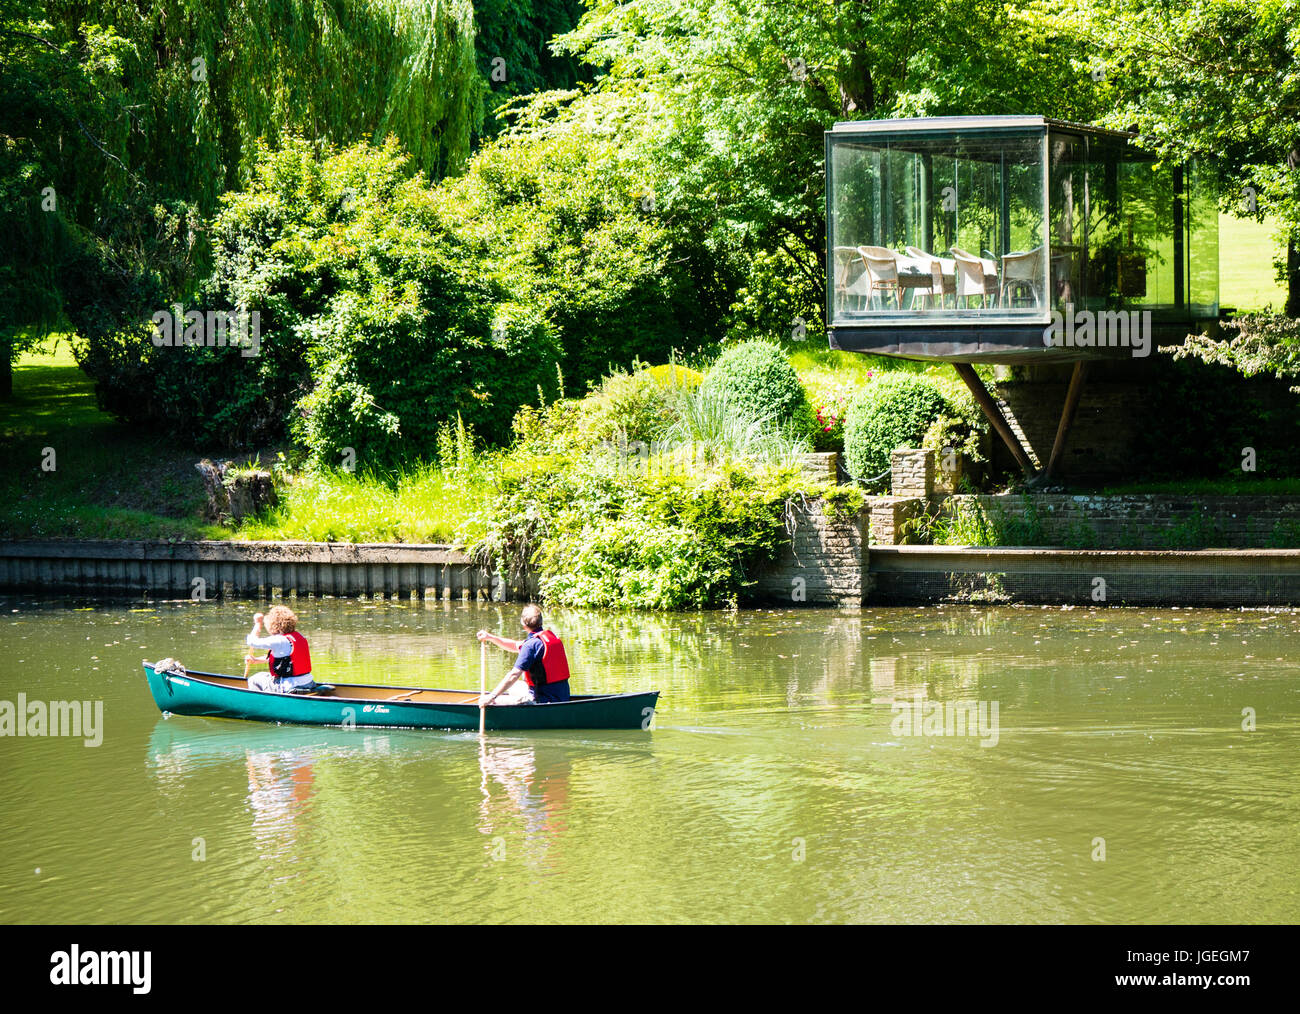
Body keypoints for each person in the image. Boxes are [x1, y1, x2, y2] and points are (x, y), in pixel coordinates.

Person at [477, 604, 571, 705]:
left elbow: (514, 675)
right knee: (515, 686)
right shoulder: (548, 638)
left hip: (542, 700)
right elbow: (514, 645)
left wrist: (492, 696)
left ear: (523, 625)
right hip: (562, 696)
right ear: (541, 621)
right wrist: (490, 637)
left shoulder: (530, 645)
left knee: (494, 701)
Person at [245, 605, 314, 693]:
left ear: (272, 624)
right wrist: (256, 660)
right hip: (309, 683)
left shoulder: (279, 639)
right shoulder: (299, 637)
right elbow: (286, 660)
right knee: (263, 676)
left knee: (254, 679)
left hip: (288, 686)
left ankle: (263, 704)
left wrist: (258, 623)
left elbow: (252, 641)